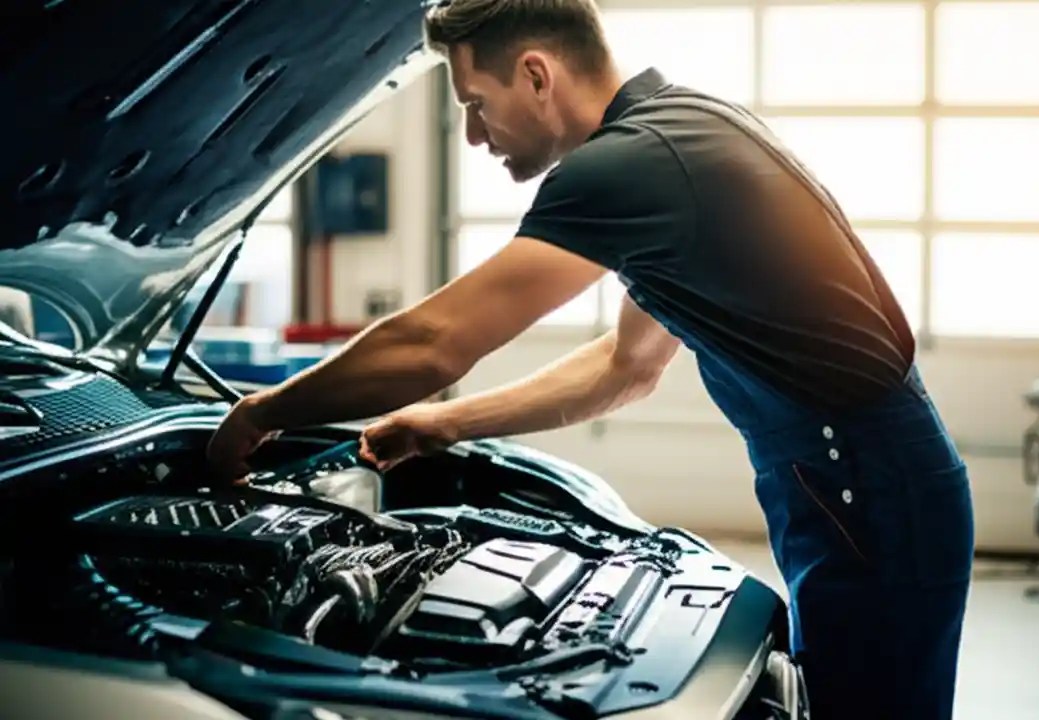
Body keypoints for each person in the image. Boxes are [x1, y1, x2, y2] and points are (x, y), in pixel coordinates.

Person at [206, 0, 975, 715]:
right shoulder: (676, 131)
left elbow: (434, 342)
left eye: (476, 103)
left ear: (537, 75)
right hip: (860, 488)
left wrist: (265, 411)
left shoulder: (627, 166)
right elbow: (625, 366)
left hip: (869, 495)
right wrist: (440, 426)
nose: (474, 134)